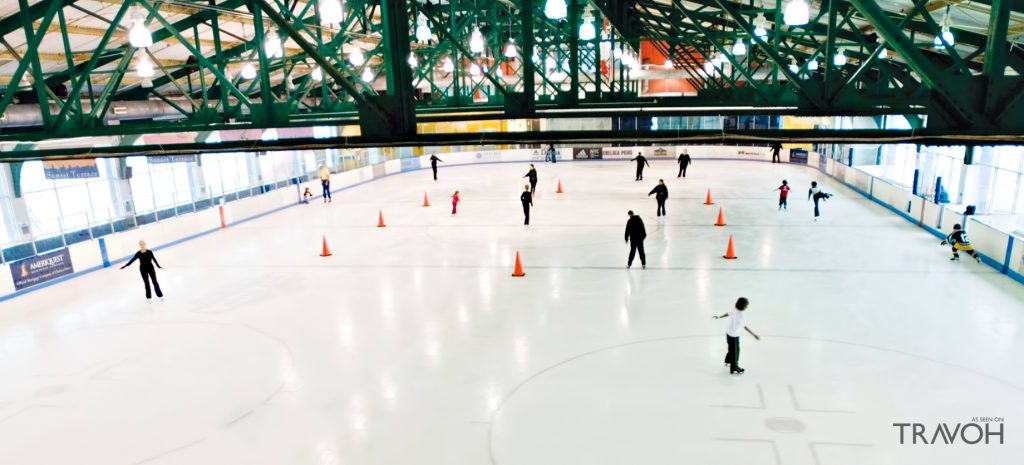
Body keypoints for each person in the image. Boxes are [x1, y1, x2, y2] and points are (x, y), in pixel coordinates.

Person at [712, 297, 761, 375]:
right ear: (743, 306)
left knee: (730, 348)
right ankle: (734, 368)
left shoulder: (735, 309)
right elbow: (745, 327)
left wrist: (719, 317)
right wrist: (754, 335)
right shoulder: (741, 315)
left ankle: (728, 361)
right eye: (746, 305)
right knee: (736, 352)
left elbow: (728, 313)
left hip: (728, 333)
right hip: (734, 336)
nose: (747, 306)